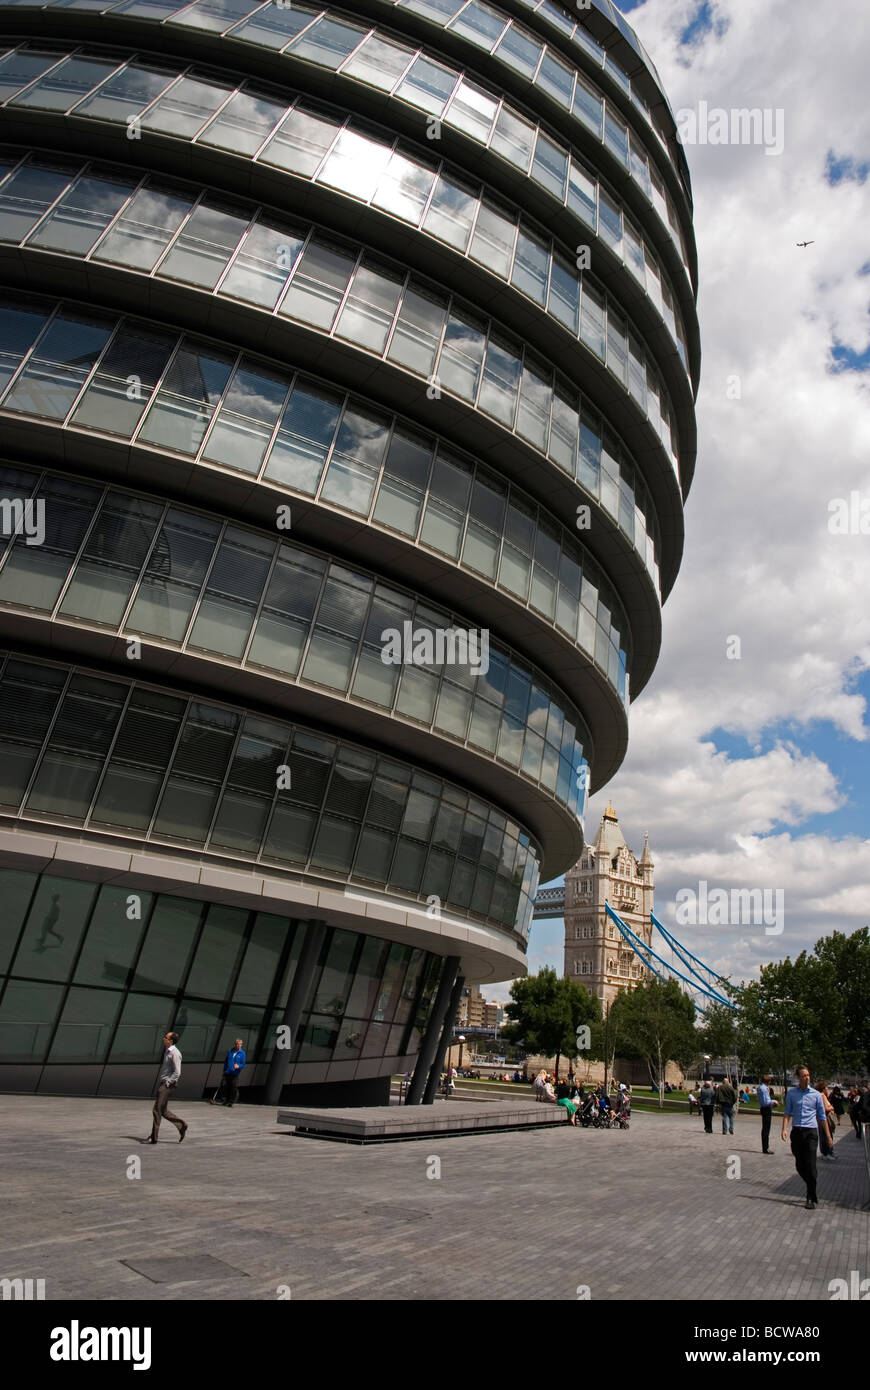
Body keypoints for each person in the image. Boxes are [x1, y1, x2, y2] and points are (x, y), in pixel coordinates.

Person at [781, 1065, 832, 1208]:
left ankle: (810, 1196)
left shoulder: (816, 1095)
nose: (807, 1077)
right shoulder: (791, 1094)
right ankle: (811, 1185)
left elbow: (822, 1118)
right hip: (797, 1132)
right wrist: (784, 1129)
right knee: (799, 1165)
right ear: (798, 1078)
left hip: (811, 1133)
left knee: (811, 1165)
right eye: (804, 1075)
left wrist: (828, 1137)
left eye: (808, 1075)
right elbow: (787, 1113)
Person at [149, 1031, 187, 1144]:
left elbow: (177, 1072)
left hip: (167, 1085)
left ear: (171, 1040)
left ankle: (153, 1137)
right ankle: (182, 1125)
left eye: (166, 1037)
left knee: (156, 1110)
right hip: (164, 1083)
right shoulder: (168, 1051)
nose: (163, 1039)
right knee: (163, 1111)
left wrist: (168, 1083)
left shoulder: (175, 1053)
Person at [217, 1038, 245, 1107]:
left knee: (233, 1087)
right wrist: (224, 1071)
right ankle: (225, 1100)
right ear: (235, 1044)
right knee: (225, 1087)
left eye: (239, 1044)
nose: (238, 1046)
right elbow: (226, 1062)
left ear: (241, 1045)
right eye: (237, 1044)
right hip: (227, 1072)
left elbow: (243, 1063)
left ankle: (231, 1102)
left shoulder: (242, 1053)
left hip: (235, 1073)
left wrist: (238, 1066)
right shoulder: (230, 1051)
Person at [757, 1074, 777, 1154]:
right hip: (766, 1109)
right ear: (768, 1081)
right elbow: (766, 1102)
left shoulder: (760, 1087)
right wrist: (774, 1101)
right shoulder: (764, 1089)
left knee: (765, 1128)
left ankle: (765, 1147)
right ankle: (766, 1148)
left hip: (763, 1108)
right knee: (766, 1129)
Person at [817, 1084, 837, 1160]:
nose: (828, 1089)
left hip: (821, 1119)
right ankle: (827, 1153)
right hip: (824, 1119)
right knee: (826, 1136)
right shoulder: (822, 1096)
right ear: (823, 1088)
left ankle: (828, 1152)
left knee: (825, 1135)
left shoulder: (821, 1095)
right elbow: (825, 1109)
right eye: (826, 1087)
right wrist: (831, 1107)